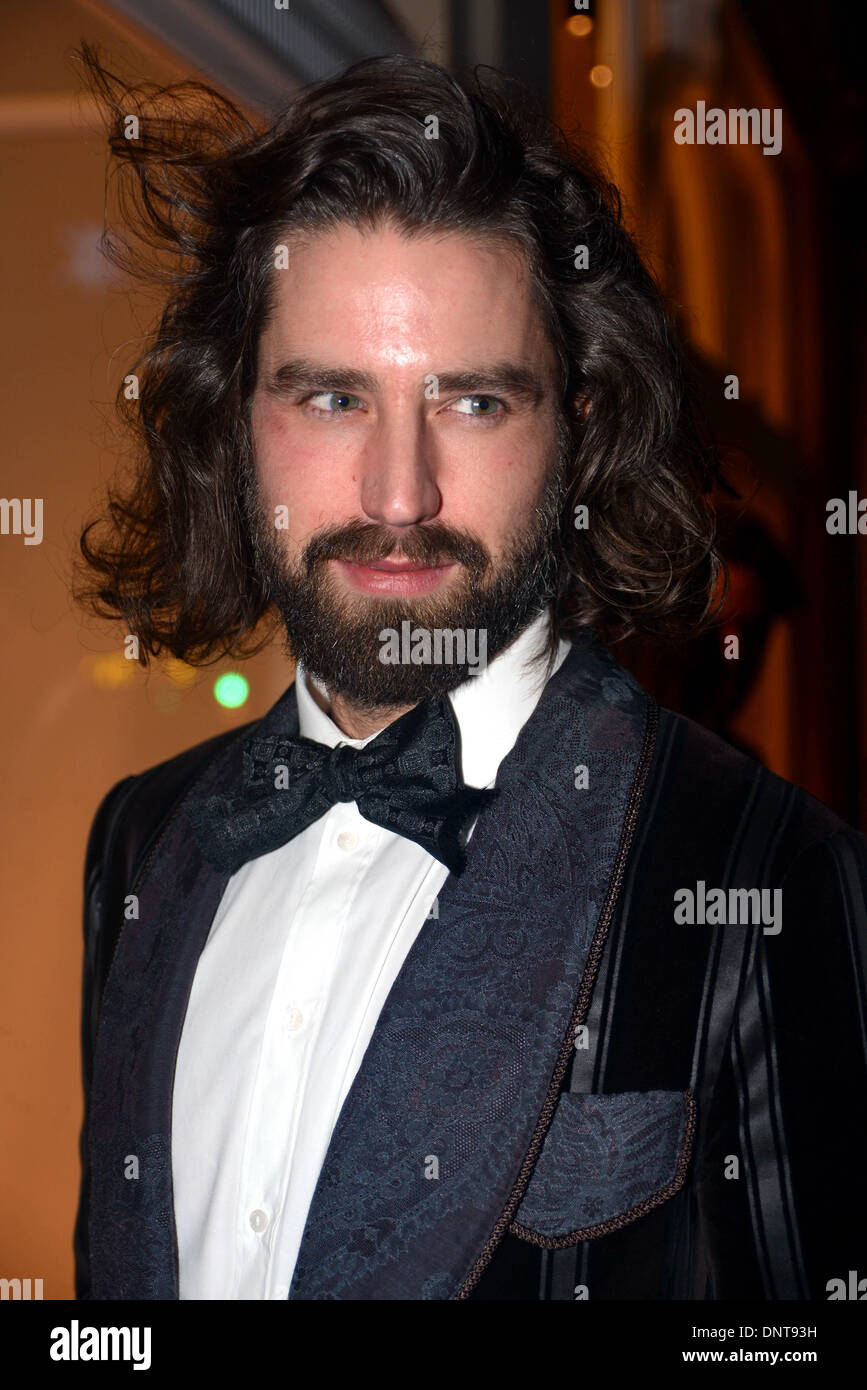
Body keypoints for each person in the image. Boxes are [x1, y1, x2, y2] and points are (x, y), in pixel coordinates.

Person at [73, 47, 867, 1301]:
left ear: (581, 430)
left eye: (477, 403)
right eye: (332, 398)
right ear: (236, 426)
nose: (401, 493)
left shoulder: (769, 873)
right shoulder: (139, 842)